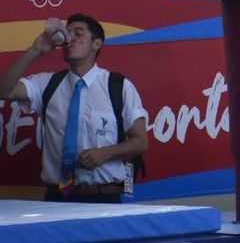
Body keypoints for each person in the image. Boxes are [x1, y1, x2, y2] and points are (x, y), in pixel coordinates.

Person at [0, 14, 149, 202]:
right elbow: (4, 91)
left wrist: (104, 153)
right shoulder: (47, 84)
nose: (69, 38)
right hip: (57, 198)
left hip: (104, 198)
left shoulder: (119, 86)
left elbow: (141, 142)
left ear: (97, 44)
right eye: (67, 33)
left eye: (78, 34)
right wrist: (36, 50)